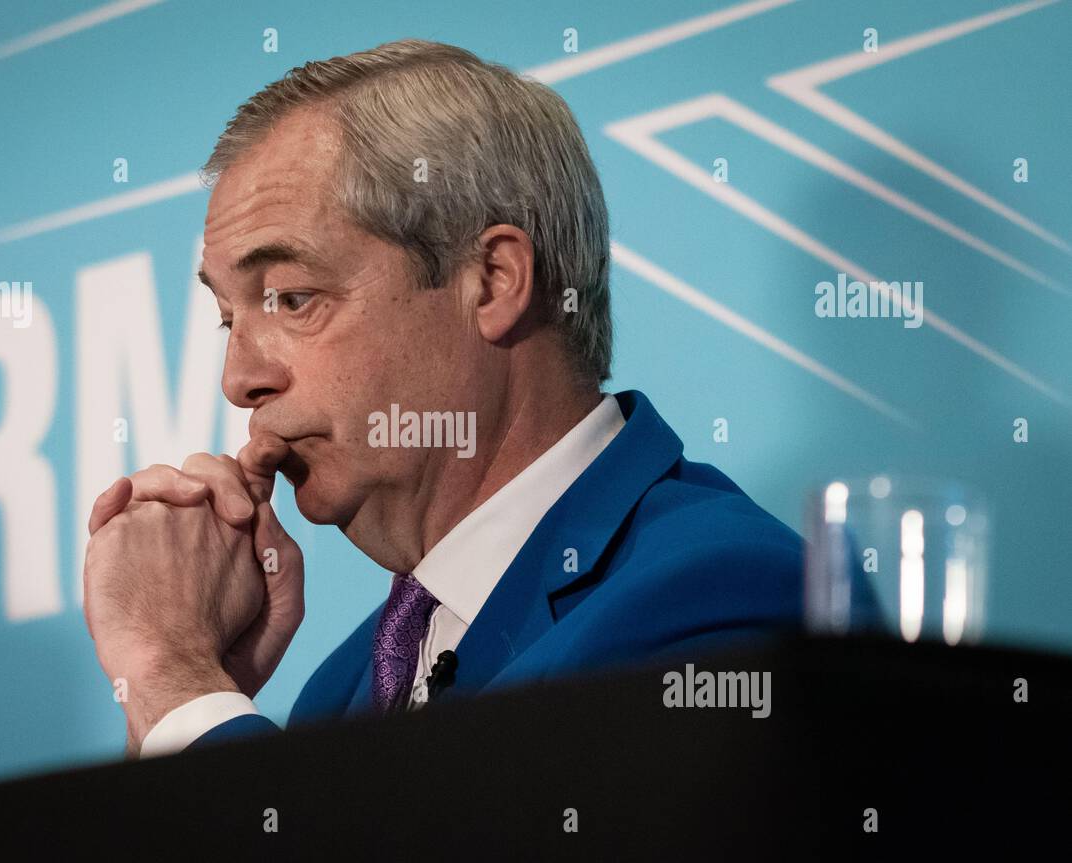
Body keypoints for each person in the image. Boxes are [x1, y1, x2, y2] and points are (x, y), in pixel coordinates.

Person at [82, 39, 810, 758]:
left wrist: (173, 682)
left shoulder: (722, 598)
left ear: (492, 280)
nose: (238, 379)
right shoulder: (340, 694)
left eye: (294, 298)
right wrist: (199, 693)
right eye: (228, 319)